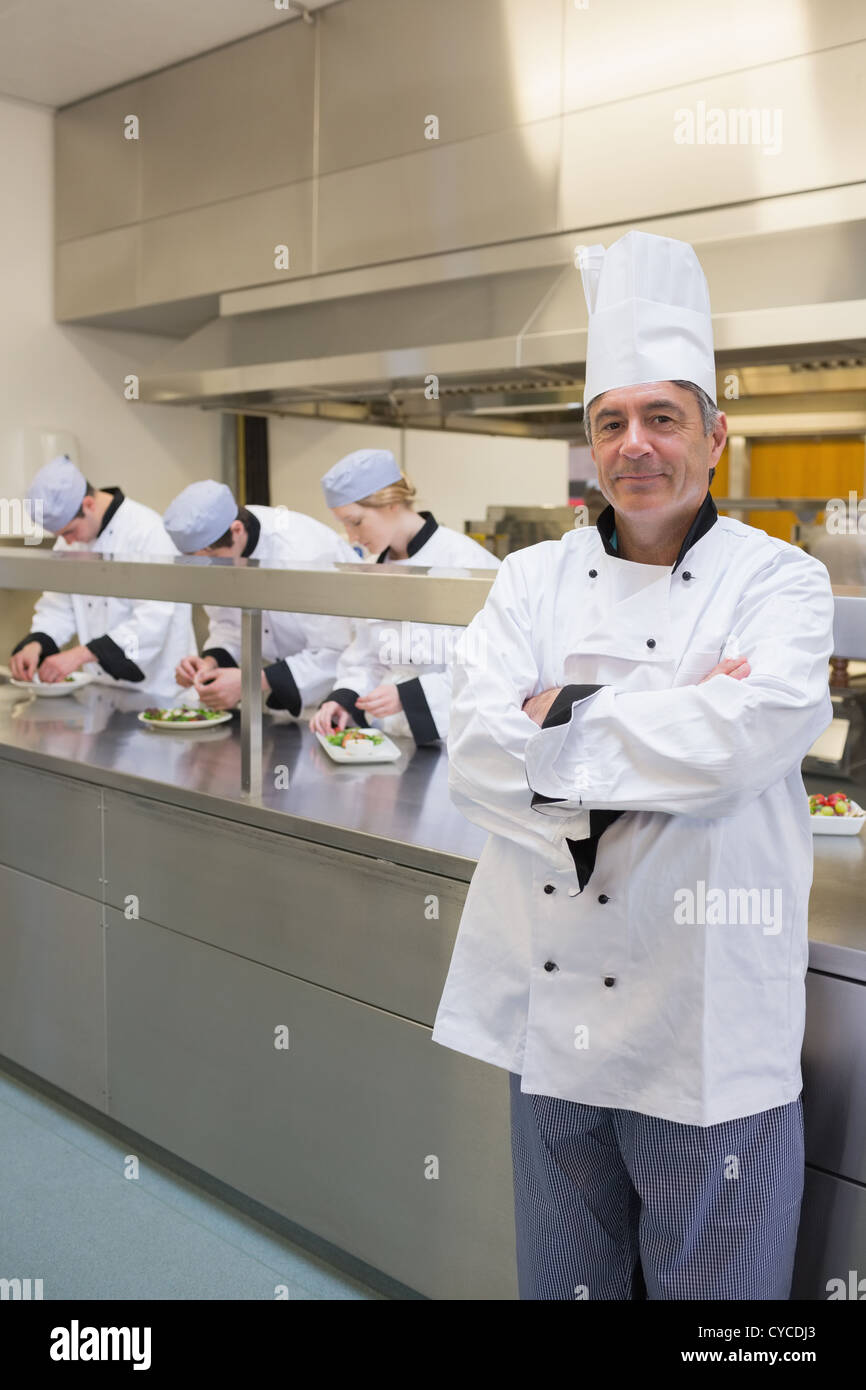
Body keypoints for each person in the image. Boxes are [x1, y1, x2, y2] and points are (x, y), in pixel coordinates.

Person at [431, 230, 835, 1300]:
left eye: (662, 417)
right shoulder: (527, 579)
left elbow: (735, 747)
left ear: (713, 434)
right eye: (610, 422)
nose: (635, 444)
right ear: (587, 445)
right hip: (550, 1024)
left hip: (703, 1022)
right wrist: (674, 709)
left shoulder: (779, 582)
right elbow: (474, 748)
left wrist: (553, 719)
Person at [310, 449, 499, 745]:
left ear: (391, 504)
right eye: (344, 525)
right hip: (389, 739)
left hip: (458, 741)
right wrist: (345, 699)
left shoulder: (469, 562)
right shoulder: (373, 572)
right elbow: (366, 656)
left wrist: (408, 695)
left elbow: (491, 665)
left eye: (356, 521)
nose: (352, 537)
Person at [163, 481, 355, 715]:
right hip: (275, 701)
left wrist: (253, 681)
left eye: (214, 559)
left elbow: (334, 651)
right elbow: (229, 625)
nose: (211, 569)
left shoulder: (305, 554)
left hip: (335, 701)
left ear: (236, 530)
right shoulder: (215, 553)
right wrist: (210, 663)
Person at [9, 456, 194, 693]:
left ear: (88, 504)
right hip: (102, 688)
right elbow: (59, 605)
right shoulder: (70, 542)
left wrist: (80, 655)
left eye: (70, 531)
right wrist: (36, 642)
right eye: (60, 535)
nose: (67, 541)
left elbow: (152, 620)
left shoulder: (147, 532)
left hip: (160, 689)